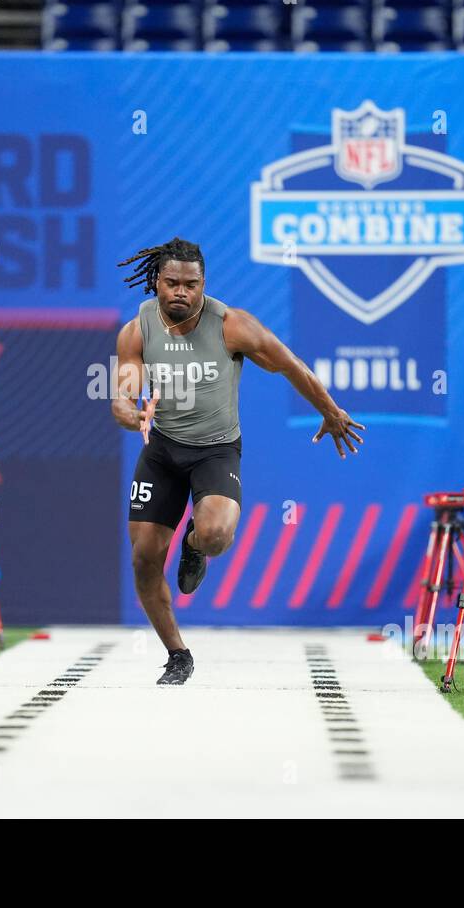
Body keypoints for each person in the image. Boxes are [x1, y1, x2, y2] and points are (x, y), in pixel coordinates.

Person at [110, 237, 365, 685]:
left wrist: (329, 410)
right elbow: (122, 396)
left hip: (215, 449)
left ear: (203, 284)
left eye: (191, 284)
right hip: (163, 451)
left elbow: (291, 365)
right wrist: (132, 414)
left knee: (215, 535)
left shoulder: (232, 326)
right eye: (172, 283)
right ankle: (178, 654)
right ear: (157, 283)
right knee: (144, 558)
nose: (181, 293)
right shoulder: (137, 330)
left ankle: (192, 549)